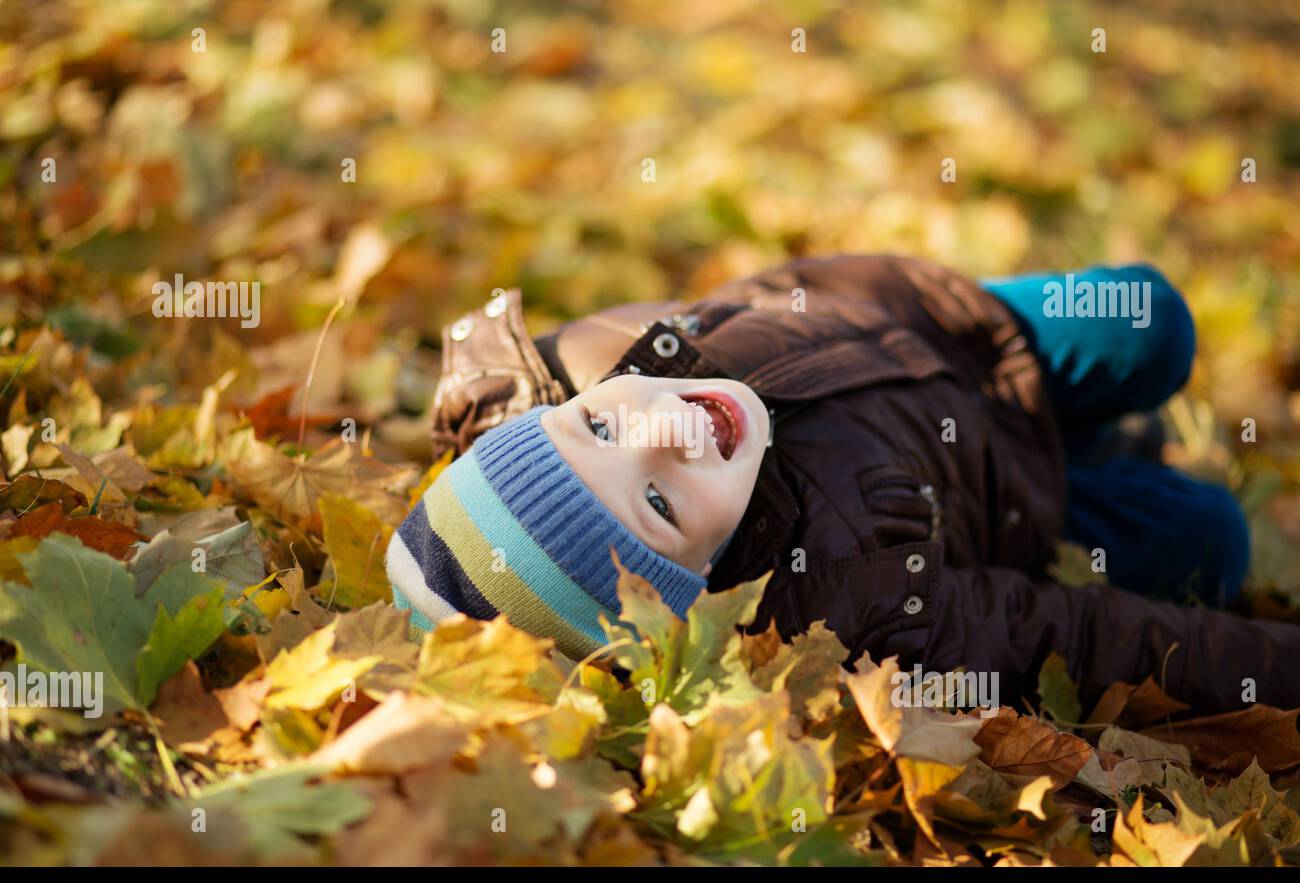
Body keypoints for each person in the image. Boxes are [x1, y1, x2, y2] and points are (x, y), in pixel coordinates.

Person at [386, 254, 1300, 717]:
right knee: (1212, 544)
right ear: (687, 598)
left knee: (1148, 319)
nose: (668, 430)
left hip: (940, 331)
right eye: (657, 505)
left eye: (598, 425)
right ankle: (1092, 446)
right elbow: (1077, 637)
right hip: (1004, 493)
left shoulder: (585, 363)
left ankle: (1095, 421)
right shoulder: (840, 606)